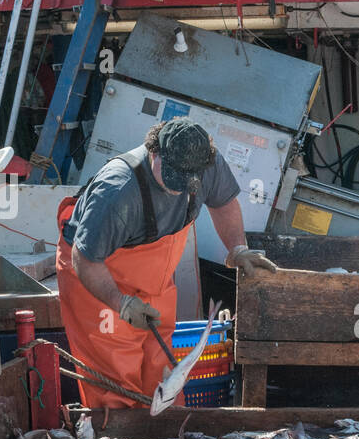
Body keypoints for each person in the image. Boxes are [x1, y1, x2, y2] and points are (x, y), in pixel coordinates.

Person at [55, 117, 276, 408]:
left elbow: (223, 202)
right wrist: (119, 302)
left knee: (163, 380)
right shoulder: (118, 190)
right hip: (97, 281)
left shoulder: (205, 161)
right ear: (154, 152)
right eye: (172, 175)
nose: (179, 187)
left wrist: (236, 247)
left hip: (153, 280)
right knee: (117, 385)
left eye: (188, 180)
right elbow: (84, 259)